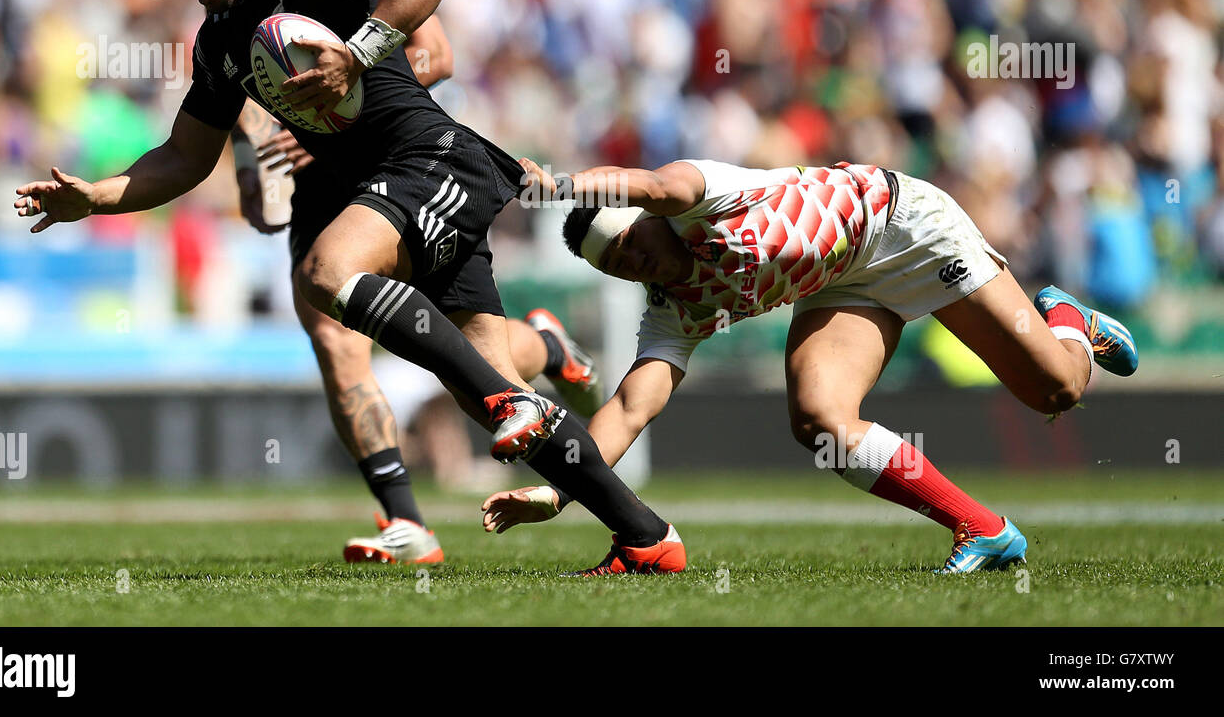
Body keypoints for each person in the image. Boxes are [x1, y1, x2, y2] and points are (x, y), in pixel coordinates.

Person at [13, 0, 684, 576]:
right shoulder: (218, 44)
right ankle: (645, 534)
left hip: (432, 161)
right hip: (401, 186)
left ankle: (513, 404)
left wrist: (358, 52)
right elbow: (184, 157)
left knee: (328, 272)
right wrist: (96, 195)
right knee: (481, 388)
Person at [205, 0, 600, 564]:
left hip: (391, 161)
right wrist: (250, 163)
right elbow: (234, 90)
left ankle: (544, 345)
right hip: (316, 180)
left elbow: (436, 53)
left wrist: (337, 97)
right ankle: (405, 522)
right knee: (334, 342)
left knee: (452, 356)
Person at [482, 157, 1138, 573]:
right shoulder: (673, 307)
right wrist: (558, 491)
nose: (634, 263)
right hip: (844, 281)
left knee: (1058, 389)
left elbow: (657, 182)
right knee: (820, 419)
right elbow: (630, 406)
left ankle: (1067, 320)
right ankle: (983, 528)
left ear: (650, 217)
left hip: (903, 225)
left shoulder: (697, 197)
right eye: (616, 265)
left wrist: (560, 187)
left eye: (629, 243)